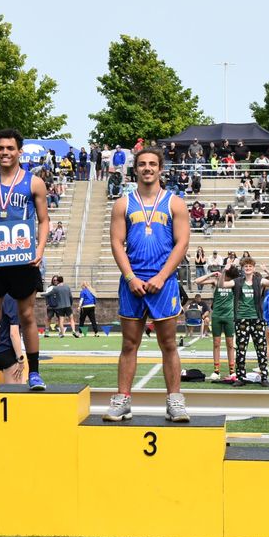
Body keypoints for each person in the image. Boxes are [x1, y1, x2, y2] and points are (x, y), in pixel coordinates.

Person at [104, 147, 190, 422]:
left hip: (163, 281)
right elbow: (117, 242)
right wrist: (130, 277)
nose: (147, 168)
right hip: (133, 281)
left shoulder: (175, 203)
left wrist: (162, 277)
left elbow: (182, 243)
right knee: (129, 344)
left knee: (169, 344)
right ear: (136, 169)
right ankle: (123, 400)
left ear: (161, 169)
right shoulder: (123, 204)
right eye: (142, 164)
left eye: (153, 164)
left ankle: (175, 401)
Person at [0, 129, 49, 391]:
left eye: (10, 148)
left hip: (24, 259)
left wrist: (40, 249)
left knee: (27, 316)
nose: (5, 152)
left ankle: (35, 373)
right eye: (1, 148)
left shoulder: (34, 182)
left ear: (19, 151)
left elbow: (44, 220)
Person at [218, 258, 269, 386]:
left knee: (261, 349)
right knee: (241, 349)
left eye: (250, 266)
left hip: (257, 319)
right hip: (242, 319)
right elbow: (221, 285)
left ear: (253, 268)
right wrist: (224, 271)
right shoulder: (238, 281)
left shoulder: (259, 281)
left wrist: (267, 270)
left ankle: (264, 376)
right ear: (242, 268)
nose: (247, 268)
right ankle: (241, 377)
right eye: (245, 266)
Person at [196, 265, 237, 381]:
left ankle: (232, 371)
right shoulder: (216, 281)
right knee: (216, 344)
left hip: (229, 316)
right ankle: (216, 370)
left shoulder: (233, 283)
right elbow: (197, 281)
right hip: (217, 316)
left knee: (230, 344)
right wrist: (212, 274)